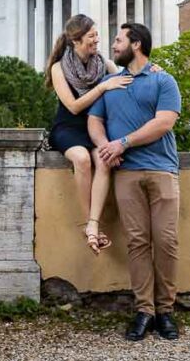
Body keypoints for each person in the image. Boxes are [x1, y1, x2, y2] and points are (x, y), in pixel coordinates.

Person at [88, 22, 182, 342]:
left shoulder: (162, 79)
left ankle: (166, 311)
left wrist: (123, 142)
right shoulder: (110, 82)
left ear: (136, 44)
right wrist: (105, 146)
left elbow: (164, 123)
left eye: (118, 40)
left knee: (166, 242)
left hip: (161, 171)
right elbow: (94, 121)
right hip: (125, 175)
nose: (113, 45)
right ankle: (145, 311)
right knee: (137, 243)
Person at [45, 14, 132, 254]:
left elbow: (128, 79)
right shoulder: (58, 68)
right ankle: (88, 224)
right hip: (67, 128)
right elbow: (73, 106)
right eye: (91, 35)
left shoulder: (103, 63)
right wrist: (103, 86)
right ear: (76, 40)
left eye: (96, 34)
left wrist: (150, 70)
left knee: (103, 160)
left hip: (95, 129)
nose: (97, 40)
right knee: (82, 159)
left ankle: (94, 223)